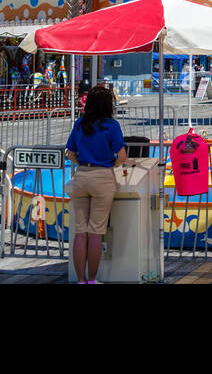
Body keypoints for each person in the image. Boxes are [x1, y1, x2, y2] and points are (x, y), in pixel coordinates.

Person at [64, 86, 127, 284]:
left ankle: (80, 280)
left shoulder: (80, 123)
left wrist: (83, 163)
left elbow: (70, 153)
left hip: (81, 176)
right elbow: (122, 156)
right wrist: (111, 164)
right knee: (96, 233)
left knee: (80, 232)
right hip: (103, 177)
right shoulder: (111, 125)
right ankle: (92, 279)